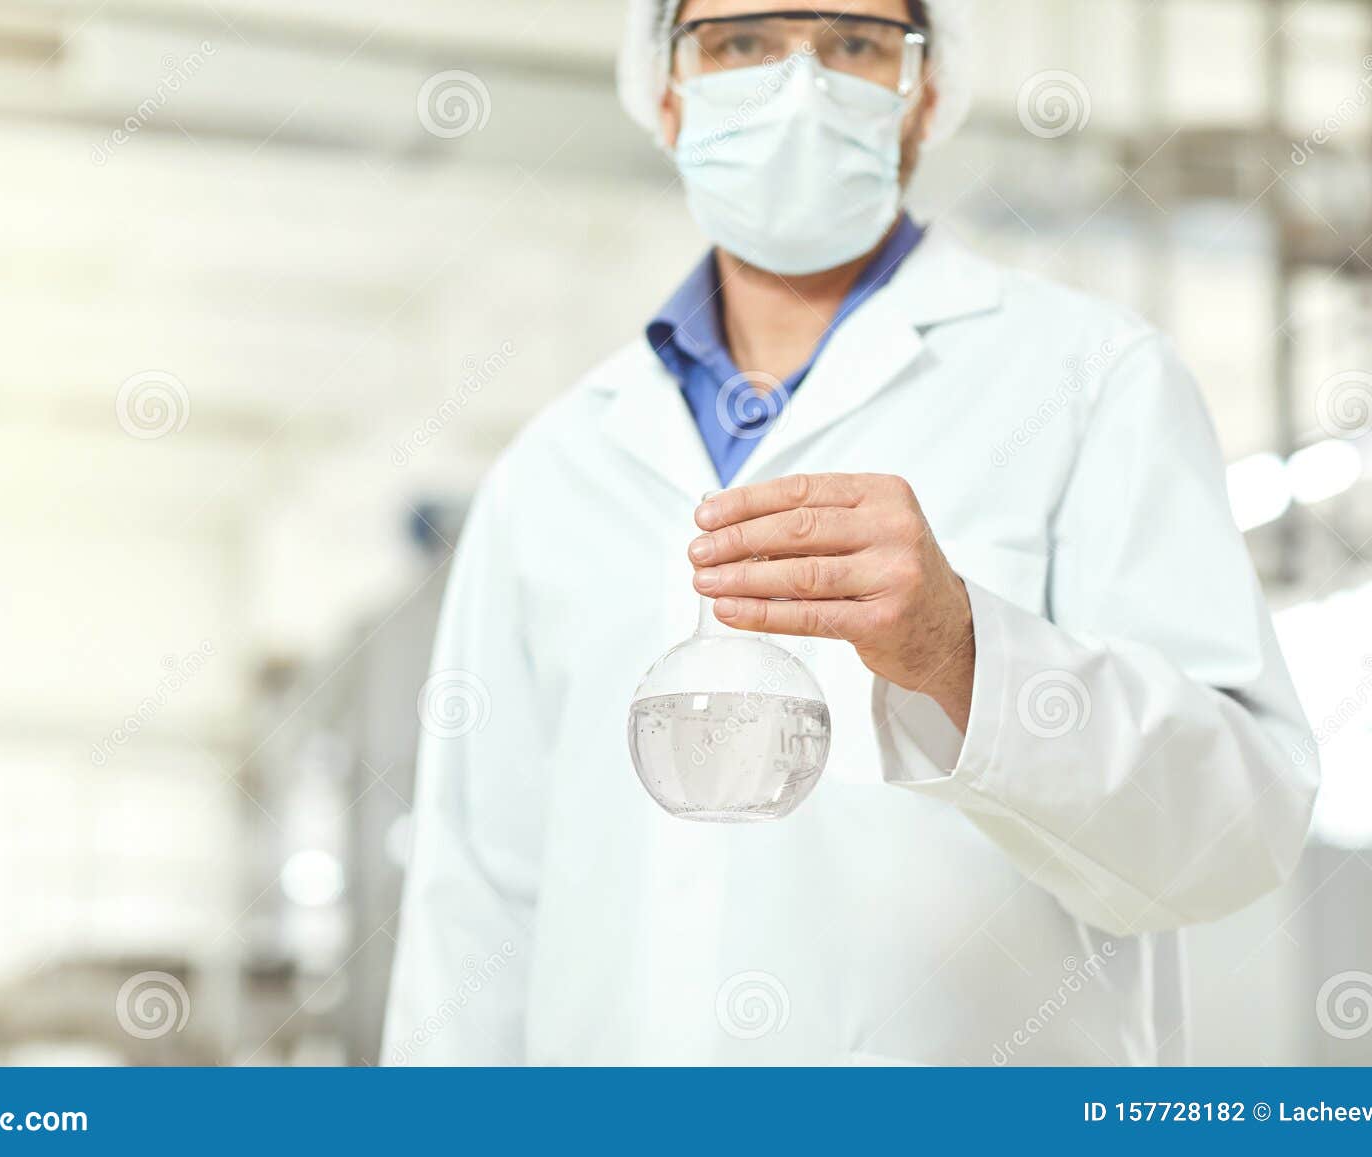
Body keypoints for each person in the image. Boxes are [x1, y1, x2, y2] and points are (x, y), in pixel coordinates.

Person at [382, 0, 1319, 1065]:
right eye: (739, 44)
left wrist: (965, 654)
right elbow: (474, 912)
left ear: (924, 98)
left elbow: (1231, 833)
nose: (797, 89)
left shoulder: (1092, 381)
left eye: (854, 46)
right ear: (665, 91)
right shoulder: (550, 471)